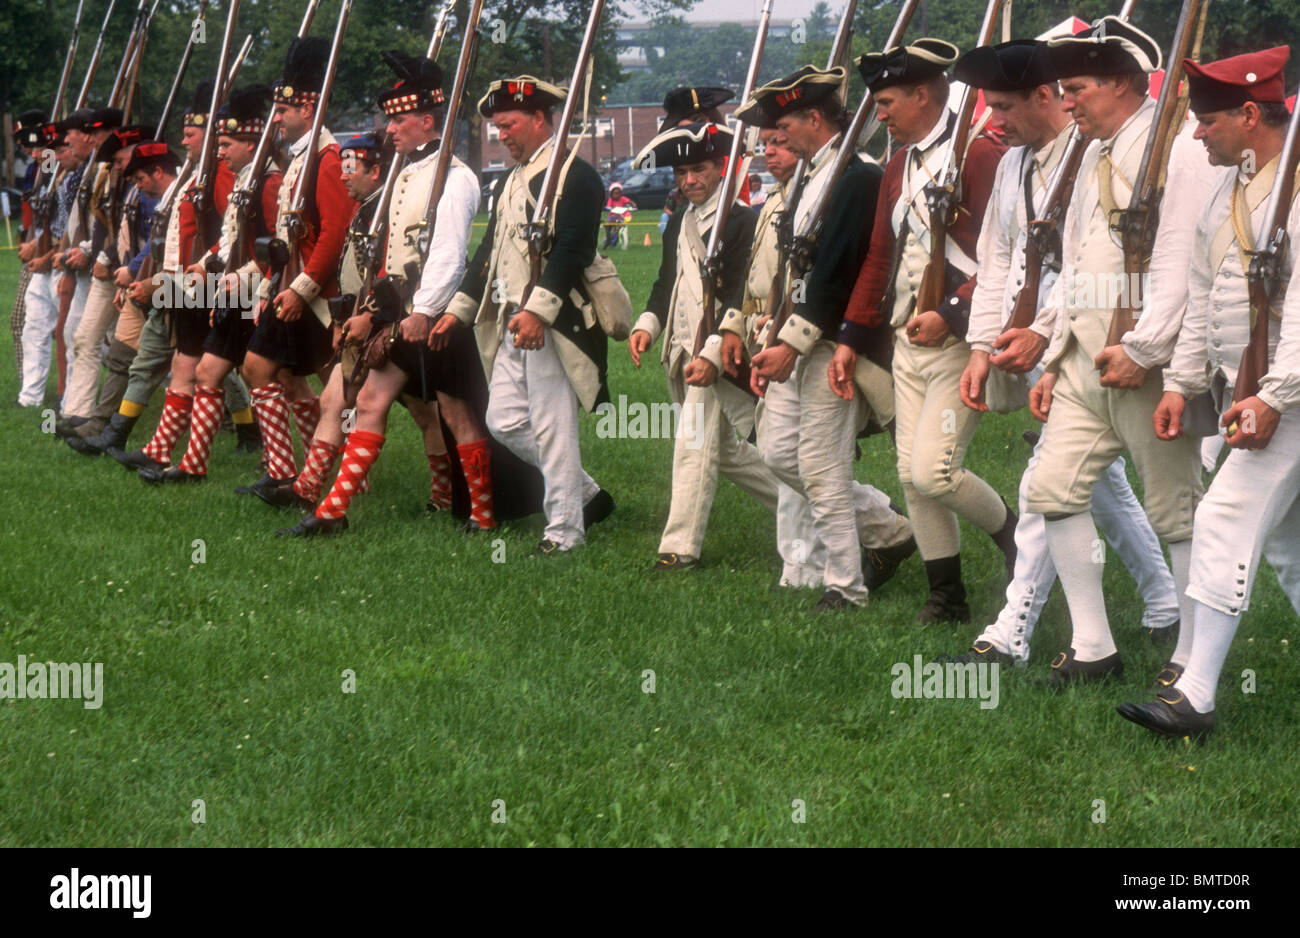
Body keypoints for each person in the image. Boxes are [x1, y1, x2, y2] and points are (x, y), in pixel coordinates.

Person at [944, 38, 1180, 666]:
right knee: (1074, 487)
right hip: (1058, 340)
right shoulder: (1023, 164)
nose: (993, 122)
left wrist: (1064, 337)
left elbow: (1166, 262)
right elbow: (1007, 262)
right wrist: (992, 345)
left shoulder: (1129, 150)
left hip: (1116, 345)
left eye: (1004, 107)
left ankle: (1018, 629)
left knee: (1100, 494)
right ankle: (1138, 615)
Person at [1023, 17, 1217, 686]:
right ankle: (1094, 649)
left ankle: (1191, 655)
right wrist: (1050, 350)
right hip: (1085, 357)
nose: (1067, 102)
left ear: (1122, 83)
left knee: (1175, 510)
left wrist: (1145, 347)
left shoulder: (1178, 148)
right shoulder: (1096, 153)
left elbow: (1185, 264)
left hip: (1146, 363)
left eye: (1076, 88)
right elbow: (1079, 261)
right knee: (1053, 489)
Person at [1118, 47, 1300, 738]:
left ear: (1251, 114)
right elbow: (1202, 297)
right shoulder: (1230, 194)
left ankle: (1193, 695)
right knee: (1288, 549)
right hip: (1250, 396)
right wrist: (1184, 384)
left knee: (1222, 518)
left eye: (1208, 121)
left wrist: (1276, 396)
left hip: (1287, 399)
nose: (1196, 135)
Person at [830, 39, 1014, 623]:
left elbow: (1003, 259)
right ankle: (947, 595)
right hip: (907, 343)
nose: (878, 113)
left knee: (935, 470)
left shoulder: (980, 154)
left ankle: (1018, 540)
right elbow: (881, 259)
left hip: (962, 342)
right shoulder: (899, 165)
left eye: (887, 101)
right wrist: (851, 337)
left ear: (922, 94)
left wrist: (955, 311)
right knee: (911, 475)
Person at [743, 65, 914, 610]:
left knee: (821, 466)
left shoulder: (858, 175)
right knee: (775, 454)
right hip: (796, 338)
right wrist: (777, 333)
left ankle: (845, 583)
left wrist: (791, 342)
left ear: (813, 119)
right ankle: (888, 529)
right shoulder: (815, 174)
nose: (777, 139)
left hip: (831, 342)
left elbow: (841, 271)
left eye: (784, 126)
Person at [437, 74, 614, 553]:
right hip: (511, 319)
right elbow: (489, 253)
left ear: (539, 119)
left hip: (551, 322)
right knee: (505, 421)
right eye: (497, 127)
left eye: (510, 124)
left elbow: (573, 249)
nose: (503, 135)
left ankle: (564, 532)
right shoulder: (512, 180)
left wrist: (539, 311)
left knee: (553, 428)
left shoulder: (575, 175)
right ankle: (585, 494)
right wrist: (457, 310)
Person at [627, 121, 774, 570]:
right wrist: (648, 325)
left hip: (724, 355)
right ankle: (869, 517)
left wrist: (712, 355)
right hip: (685, 354)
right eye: (681, 173)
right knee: (732, 455)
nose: (689, 180)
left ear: (721, 168)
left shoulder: (741, 222)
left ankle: (678, 549)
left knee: (692, 443)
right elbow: (665, 284)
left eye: (699, 170)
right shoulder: (681, 225)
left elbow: (742, 296)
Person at [138, 85, 284, 485]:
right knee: (205, 371)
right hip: (228, 294)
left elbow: (274, 247)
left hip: (256, 295)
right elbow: (229, 237)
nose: (220, 152)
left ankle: (280, 464)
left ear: (251, 144)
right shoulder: (242, 180)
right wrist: (203, 266)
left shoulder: (268, 183)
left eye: (228, 144)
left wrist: (237, 278)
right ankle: (192, 464)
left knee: (283, 381)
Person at [236, 36, 353, 502]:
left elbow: (334, 234)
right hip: (291, 289)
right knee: (279, 374)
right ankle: (300, 468)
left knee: (331, 386)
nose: (276, 119)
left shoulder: (326, 159)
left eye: (283, 110)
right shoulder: (303, 157)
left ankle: (311, 471)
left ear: (308, 108)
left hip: (315, 295)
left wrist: (301, 289)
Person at [603, 182, 636, 249]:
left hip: (621, 217)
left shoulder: (622, 198)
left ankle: (622, 240)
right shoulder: (611, 200)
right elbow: (608, 207)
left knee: (623, 226)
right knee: (614, 226)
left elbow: (629, 201)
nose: (617, 195)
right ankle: (609, 238)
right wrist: (611, 208)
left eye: (618, 193)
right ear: (611, 194)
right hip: (613, 217)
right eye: (615, 193)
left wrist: (633, 204)